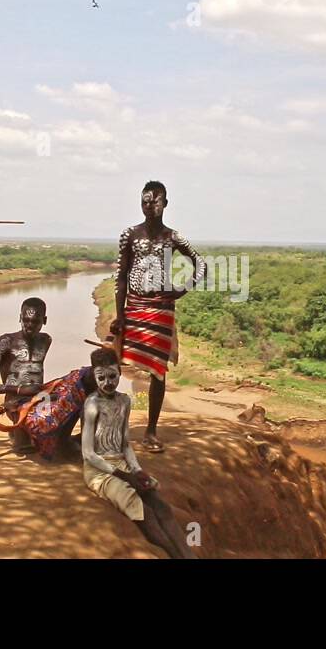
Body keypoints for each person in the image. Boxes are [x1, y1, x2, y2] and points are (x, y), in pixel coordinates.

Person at [110, 180, 205, 452]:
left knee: (158, 373)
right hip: (134, 307)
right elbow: (121, 277)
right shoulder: (129, 234)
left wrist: (180, 291)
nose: (149, 206)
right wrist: (119, 315)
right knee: (114, 367)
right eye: (145, 201)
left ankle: (151, 431)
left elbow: (201, 264)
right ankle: (113, 427)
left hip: (161, 311)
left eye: (155, 201)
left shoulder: (173, 237)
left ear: (165, 203)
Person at [81, 348, 195, 558]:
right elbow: (88, 454)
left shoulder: (124, 401)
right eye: (101, 378)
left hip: (123, 465)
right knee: (144, 511)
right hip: (99, 472)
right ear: (95, 377)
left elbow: (125, 444)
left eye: (113, 376)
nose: (108, 383)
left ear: (120, 372)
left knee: (160, 505)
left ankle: (188, 555)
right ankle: (174, 554)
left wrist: (137, 470)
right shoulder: (91, 405)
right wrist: (125, 476)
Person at [0, 297, 94, 460]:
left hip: (40, 400)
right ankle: (29, 434)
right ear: (19, 317)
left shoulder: (45, 340)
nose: (29, 326)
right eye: (25, 320)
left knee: (83, 380)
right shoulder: (6, 342)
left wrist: (47, 391)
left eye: (35, 322)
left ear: (44, 320)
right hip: (16, 404)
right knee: (27, 447)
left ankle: (76, 440)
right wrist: (19, 390)